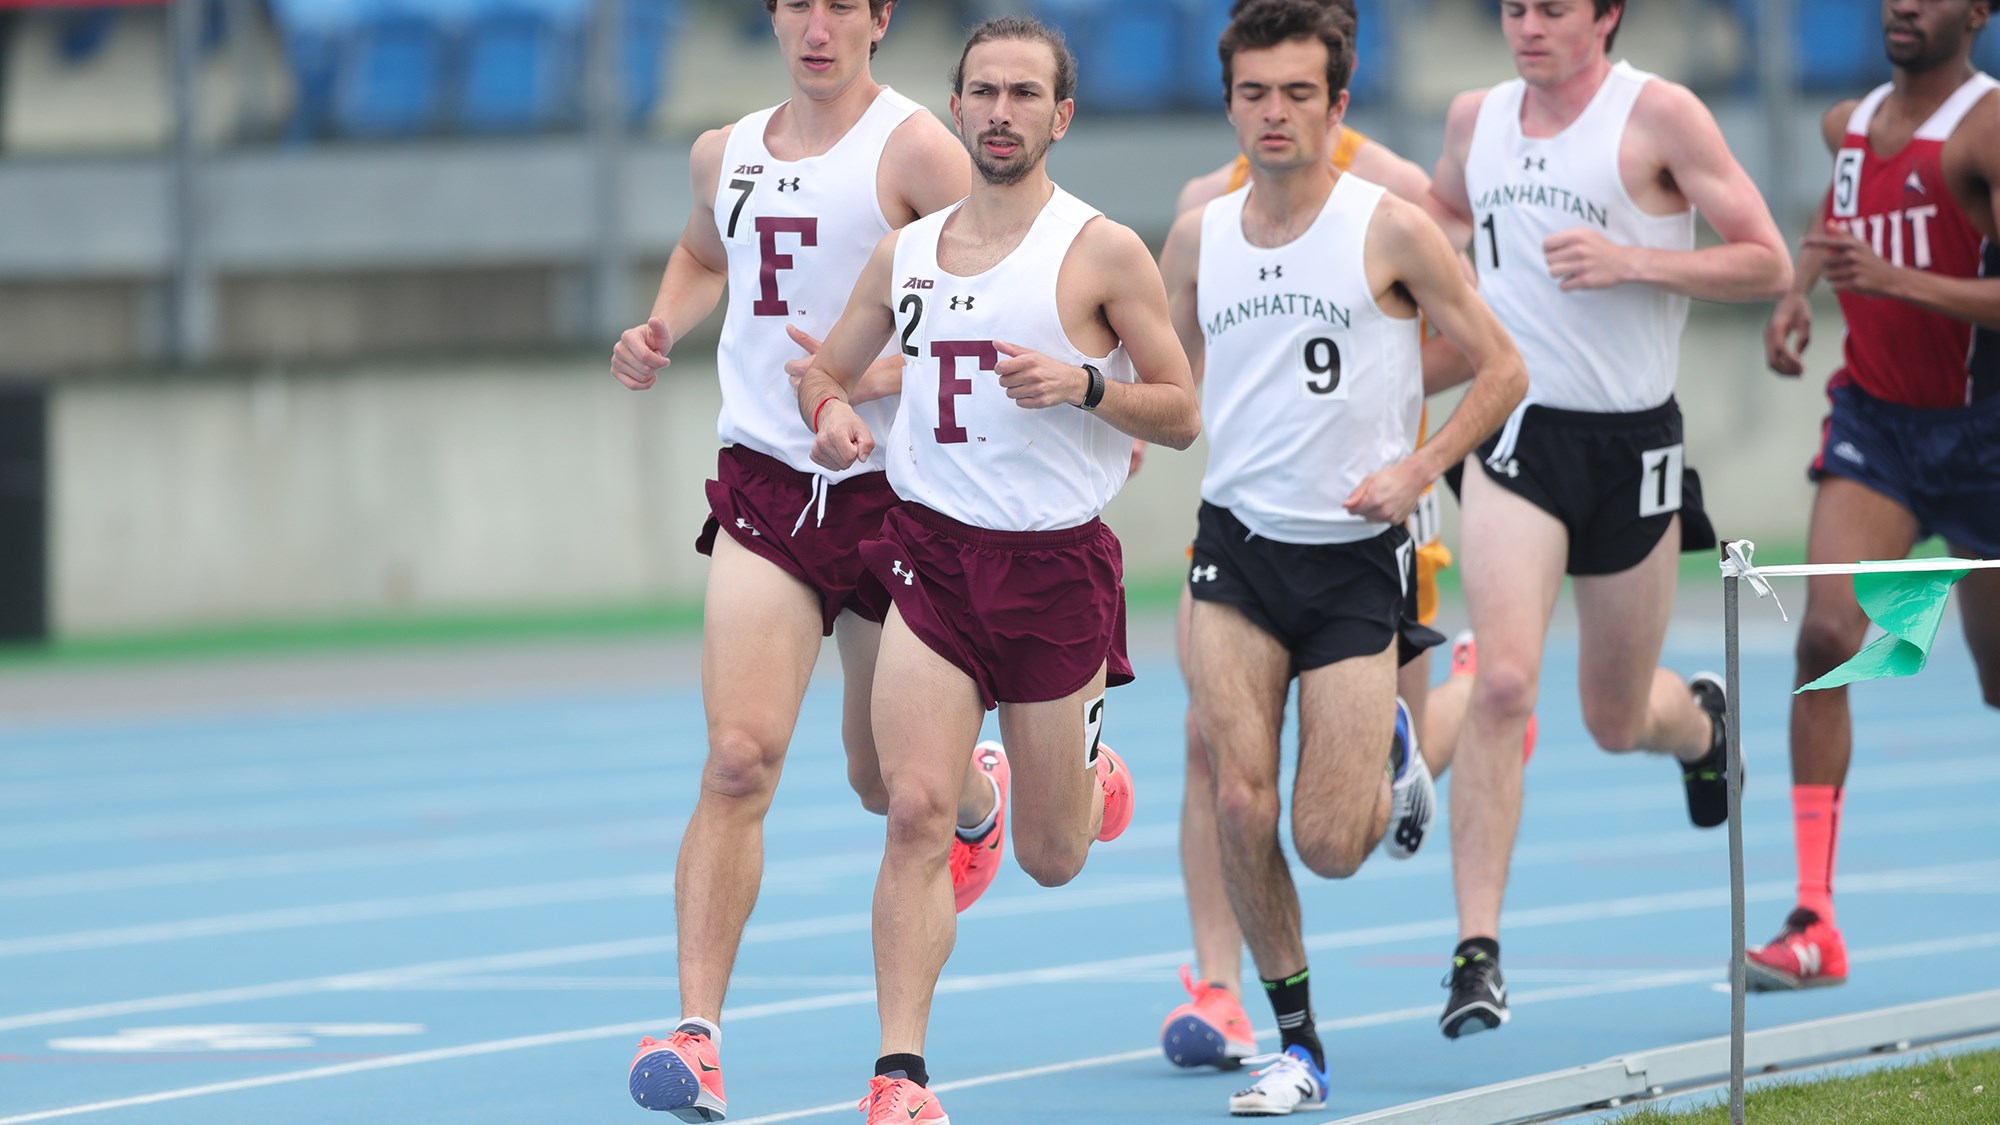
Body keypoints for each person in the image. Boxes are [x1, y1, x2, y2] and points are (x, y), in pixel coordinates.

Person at [792, 17, 1201, 1122]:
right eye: (982, 92)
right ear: (957, 106)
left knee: (1055, 857)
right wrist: (831, 415)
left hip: (1054, 569)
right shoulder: (909, 250)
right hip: (928, 556)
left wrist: (1085, 389)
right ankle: (899, 1075)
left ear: (1059, 116)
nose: (1000, 112)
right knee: (912, 809)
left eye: (1024, 94)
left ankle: (1081, 770)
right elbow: (821, 372)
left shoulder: (1099, 249)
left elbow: (1179, 412)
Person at [607, 3, 995, 1119]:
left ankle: (976, 797)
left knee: (886, 784)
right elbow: (699, 250)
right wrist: (660, 327)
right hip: (768, 489)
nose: (817, 27)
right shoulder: (720, 151)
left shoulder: (915, 146)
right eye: (797, 3)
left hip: (894, 496)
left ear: (881, 19)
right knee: (737, 760)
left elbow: (982, 291)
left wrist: (867, 383)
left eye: (842, 4)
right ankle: (695, 1034)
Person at [1157, 0, 1528, 1111]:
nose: (1273, 114)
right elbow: (1169, 389)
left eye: (1296, 94)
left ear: (1337, 103)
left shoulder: (1392, 225)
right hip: (1233, 549)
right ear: (1228, 103)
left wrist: (1417, 471)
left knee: (1326, 842)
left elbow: (1501, 365)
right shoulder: (1195, 235)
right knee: (1233, 798)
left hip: (1355, 558)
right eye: (1254, 93)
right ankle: (1298, 1045)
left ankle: (1399, 742)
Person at [1425, 0, 1792, 1038]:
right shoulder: (1473, 118)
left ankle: (1700, 727)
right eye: (1511, 8)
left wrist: (1635, 260)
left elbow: (1763, 257)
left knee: (1612, 717)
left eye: (1551, 9)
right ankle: (1476, 954)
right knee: (1501, 680)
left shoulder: (1657, 116)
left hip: (1632, 447)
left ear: (1607, 17)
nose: (1526, 26)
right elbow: (1440, 217)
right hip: (1517, 435)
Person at [1751, 0, 1999, 992]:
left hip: (1984, 438)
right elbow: (1836, 215)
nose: (1901, 4)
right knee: (1823, 638)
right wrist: (1794, 290)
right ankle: (1813, 921)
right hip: (1879, 430)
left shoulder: (1982, 132)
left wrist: (1897, 280)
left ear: (1975, 13)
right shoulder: (1844, 125)